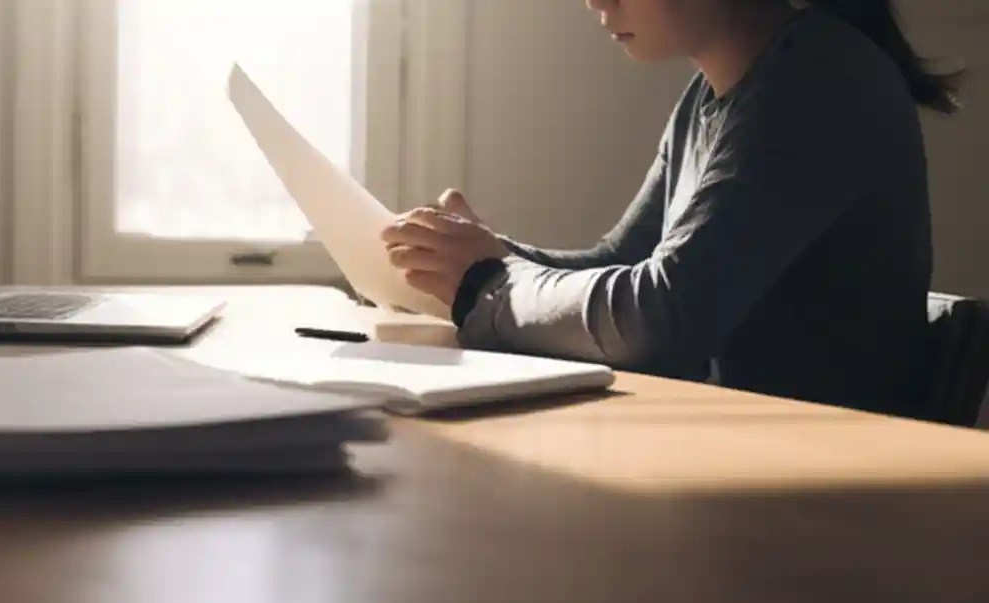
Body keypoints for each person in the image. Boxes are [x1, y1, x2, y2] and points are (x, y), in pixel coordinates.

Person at [382, 0, 962, 418]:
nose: (595, 1)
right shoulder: (710, 98)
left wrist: (489, 282)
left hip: (836, 492)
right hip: (753, 459)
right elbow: (620, 261)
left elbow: (662, 318)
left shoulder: (821, 80)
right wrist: (478, 255)